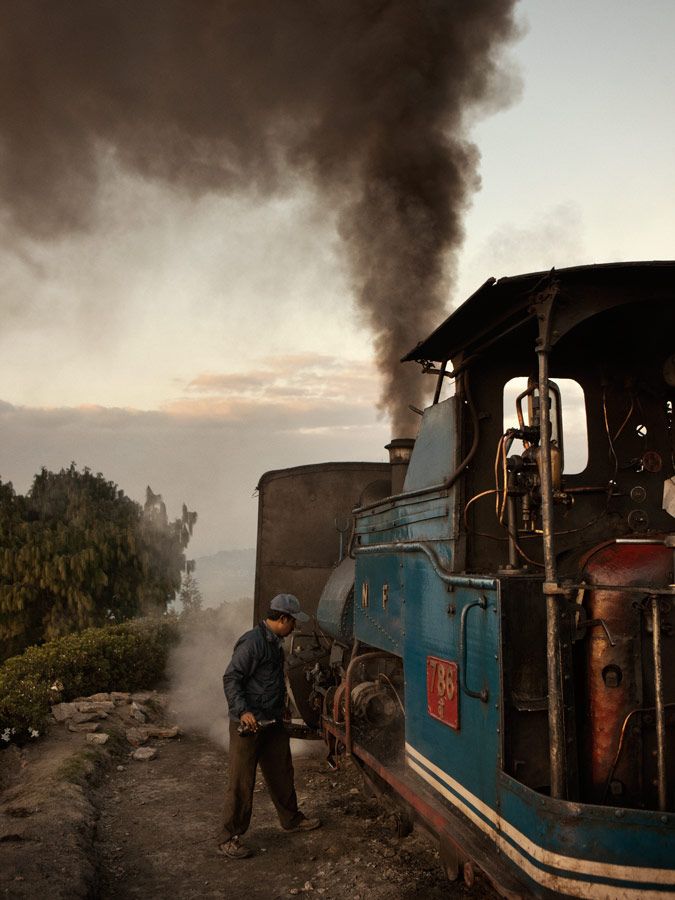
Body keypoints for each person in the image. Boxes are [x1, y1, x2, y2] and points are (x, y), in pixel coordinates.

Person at [218, 593, 321, 859]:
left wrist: (283, 708)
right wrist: (243, 712)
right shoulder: (253, 642)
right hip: (249, 724)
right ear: (283, 618)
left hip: (272, 720)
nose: (295, 627)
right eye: (293, 621)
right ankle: (229, 837)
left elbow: (270, 681)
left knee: (282, 772)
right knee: (241, 782)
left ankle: (291, 819)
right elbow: (232, 678)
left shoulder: (274, 642)